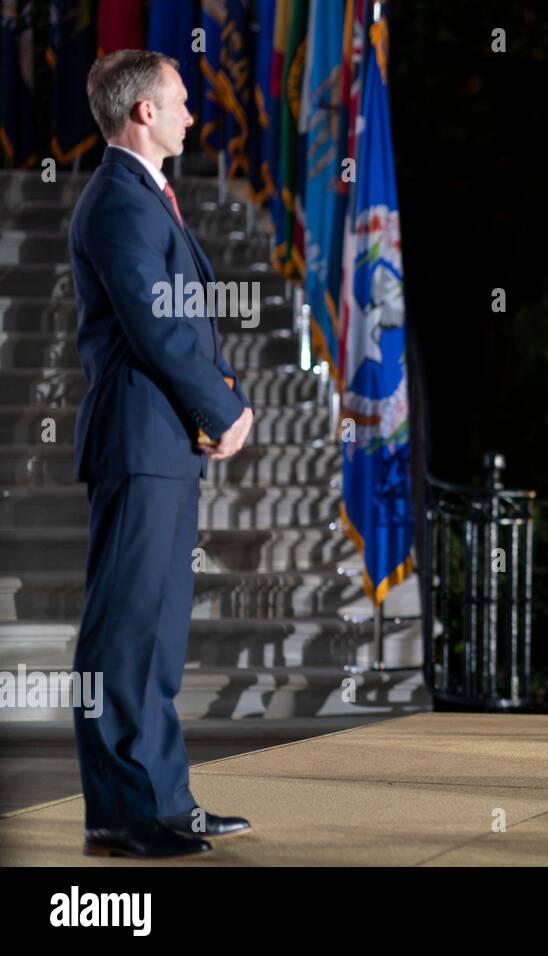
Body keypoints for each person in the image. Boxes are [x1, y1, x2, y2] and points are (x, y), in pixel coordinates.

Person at [70, 49, 255, 858]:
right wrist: (224, 404)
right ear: (143, 111)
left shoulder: (144, 198)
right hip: (139, 438)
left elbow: (176, 320)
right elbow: (154, 323)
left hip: (163, 440)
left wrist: (214, 404)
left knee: (155, 633)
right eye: (180, 102)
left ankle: (163, 801)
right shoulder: (119, 200)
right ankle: (123, 813)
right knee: (124, 634)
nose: (191, 114)